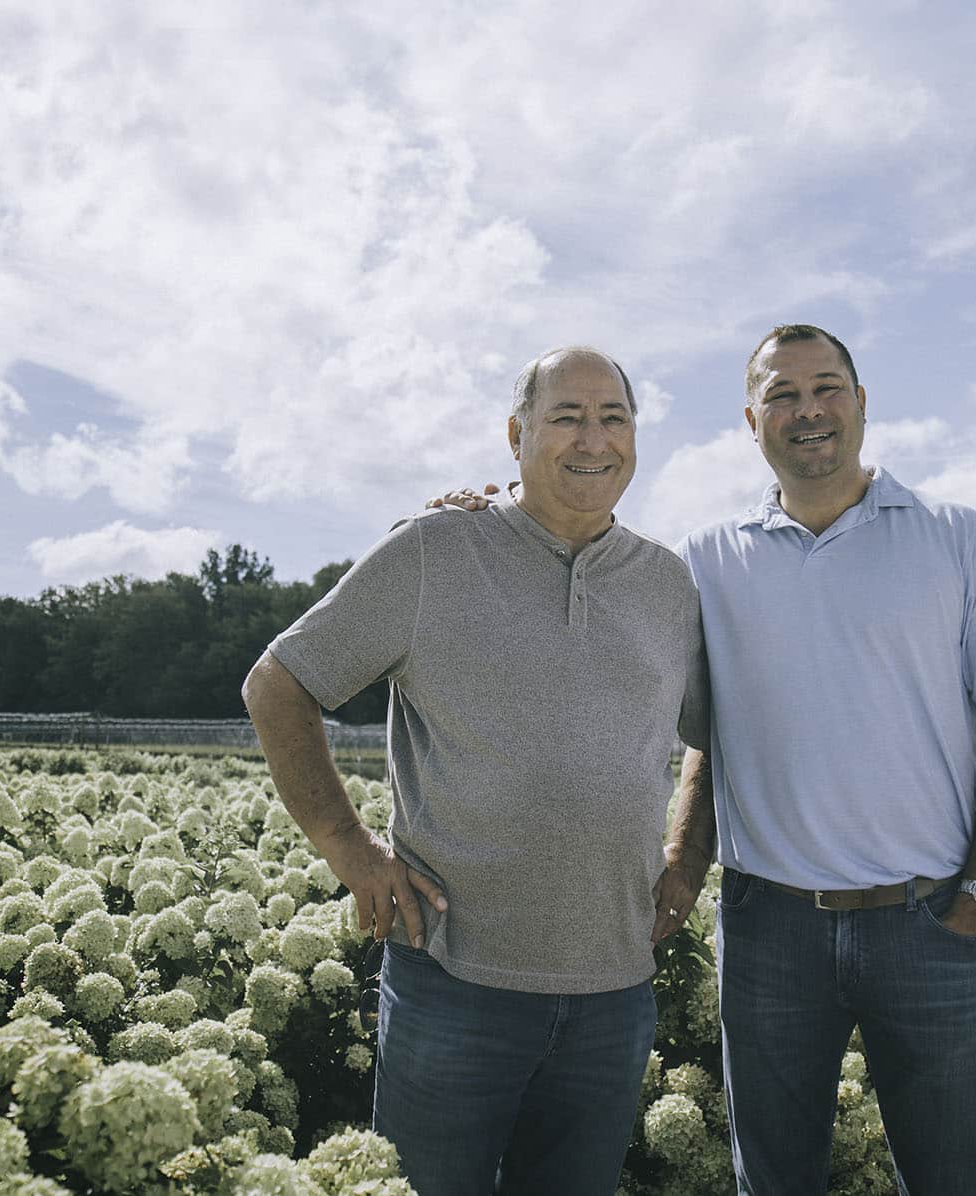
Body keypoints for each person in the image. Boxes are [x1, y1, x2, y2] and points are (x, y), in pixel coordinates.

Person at [437, 323, 976, 1195]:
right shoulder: (706, 560)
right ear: (750, 419)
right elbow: (704, 731)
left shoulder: (956, 538)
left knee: (953, 1177)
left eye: (826, 388)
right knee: (771, 1181)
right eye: (782, 394)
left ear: (861, 401)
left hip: (927, 924)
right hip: (771, 933)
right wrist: (487, 519)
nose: (808, 411)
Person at [242, 347, 711, 1196]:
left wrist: (685, 863)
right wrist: (350, 851)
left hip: (615, 993)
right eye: (566, 415)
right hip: (455, 987)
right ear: (516, 433)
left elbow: (714, 737)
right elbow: (279, 683)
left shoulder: (669, 586)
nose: (592, 438)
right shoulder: (434, 552)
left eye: (614, 417)